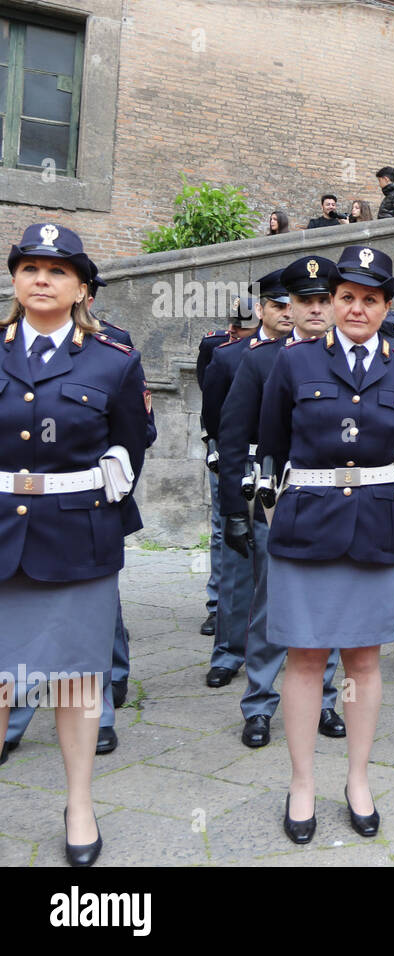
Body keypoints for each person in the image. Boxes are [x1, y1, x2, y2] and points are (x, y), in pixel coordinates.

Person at [258, 245, 394, 843]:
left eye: (371, 300)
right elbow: (272, 442)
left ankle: (358, 777)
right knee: (305, 655)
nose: (358, 309)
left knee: (362, 659)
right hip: (306, 527)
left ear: (387, 307)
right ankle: (302, 782)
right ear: (330, 303)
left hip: (375, 530)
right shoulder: (294, 363)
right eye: (347, 297)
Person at [1, 222, 149, 865]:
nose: (41, 279)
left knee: (76, 683)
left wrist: (106, 476)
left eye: (57, 271)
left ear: (82, 288)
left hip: (77, 537)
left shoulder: (113, 360)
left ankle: (80, 802)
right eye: (29, 267)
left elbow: (131, 442)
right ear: (14, 280)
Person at [220, 257, 344, 747]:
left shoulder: (351, 361)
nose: (315, 310)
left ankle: (326, 700)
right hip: (280, 500)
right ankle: (259, 704)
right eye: (305, 301)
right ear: (288, 307)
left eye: (322, 300)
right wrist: (235, 508)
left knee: (330, 606)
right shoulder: (261, 360)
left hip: (336, 502)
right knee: (271, 604)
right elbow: (234, 437)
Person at [201, 278, 284, 689]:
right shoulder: (232, 357)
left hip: (290, 473)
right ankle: (229, 652)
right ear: (263, 309)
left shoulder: (315, 357)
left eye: (296, 304)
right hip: (246, 467)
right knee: (237, 568)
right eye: (280, 305)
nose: (289, 312)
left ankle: (277, 647)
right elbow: (217, 421)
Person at [196, 311, 259, 639]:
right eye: (232, 324)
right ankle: (218, 607)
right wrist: (214, 446)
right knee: (224, 532)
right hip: (227, 450)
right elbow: (210, 400)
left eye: (241, 326)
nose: (233, 330)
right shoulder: (216, 348)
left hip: (265, 453)